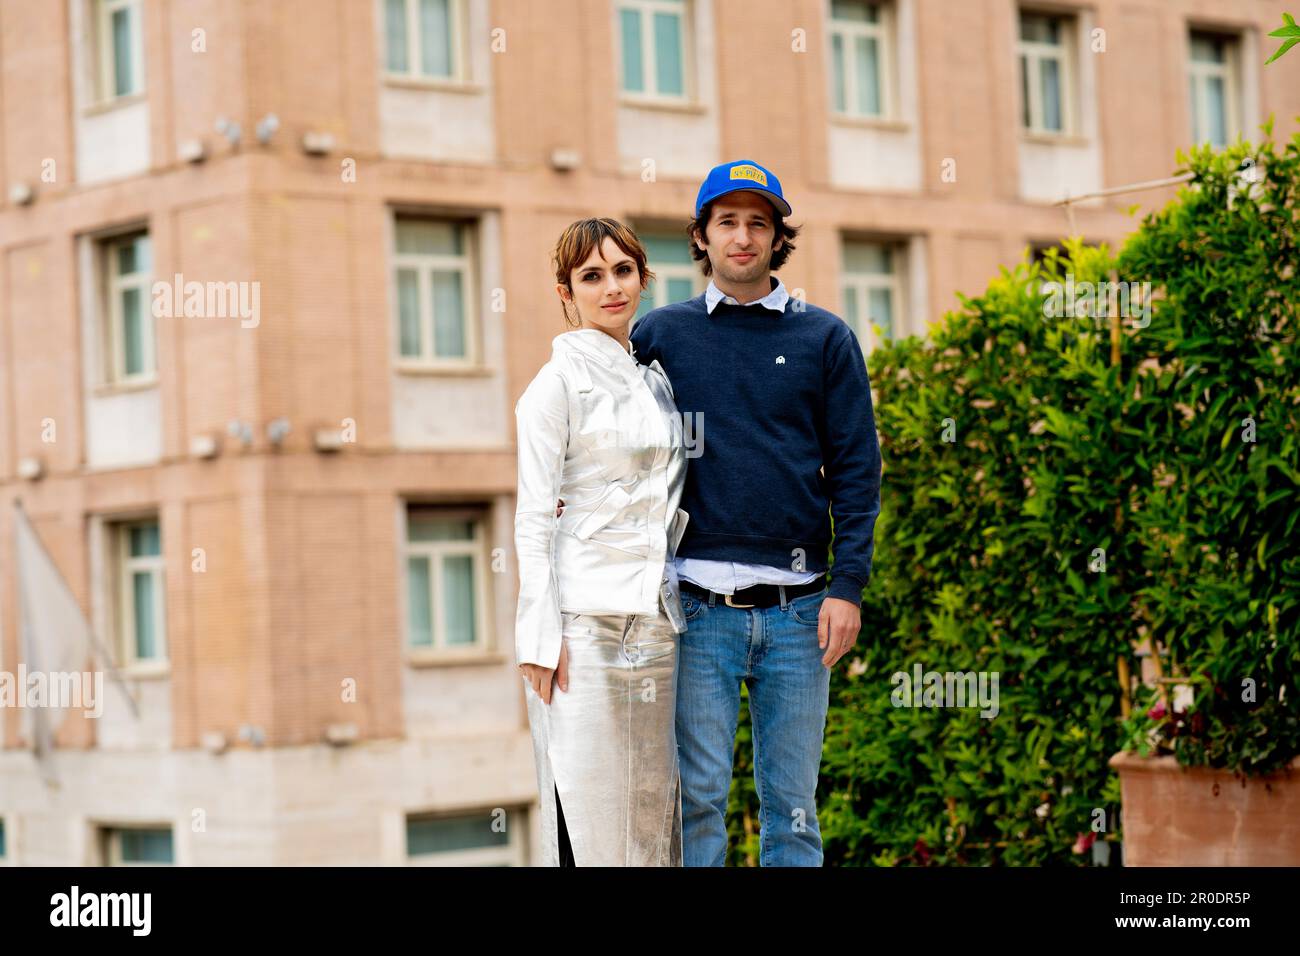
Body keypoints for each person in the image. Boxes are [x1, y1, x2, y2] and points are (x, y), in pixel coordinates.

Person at [629, 159, 883, 866]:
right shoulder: (659, 336)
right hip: (695, 611)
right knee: (698, 802)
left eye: (758, 223)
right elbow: (615, 449)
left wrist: (847, 588)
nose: (742, 236)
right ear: (702, 237)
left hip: (801, 614)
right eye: (727, 222)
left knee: (794, 813)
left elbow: (858, 472)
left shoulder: (824, 339)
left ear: (778, 239)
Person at [513, 217, 691, 866]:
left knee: (651, 829)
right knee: (586, 827)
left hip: (658, 625)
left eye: (622, 271)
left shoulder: (655, 383)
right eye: (592, 276)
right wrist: (538, 640)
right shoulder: (551, 389)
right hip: (584, 630)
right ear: (567, 291)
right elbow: (533, 517)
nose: (610, 287)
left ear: (644, 279)